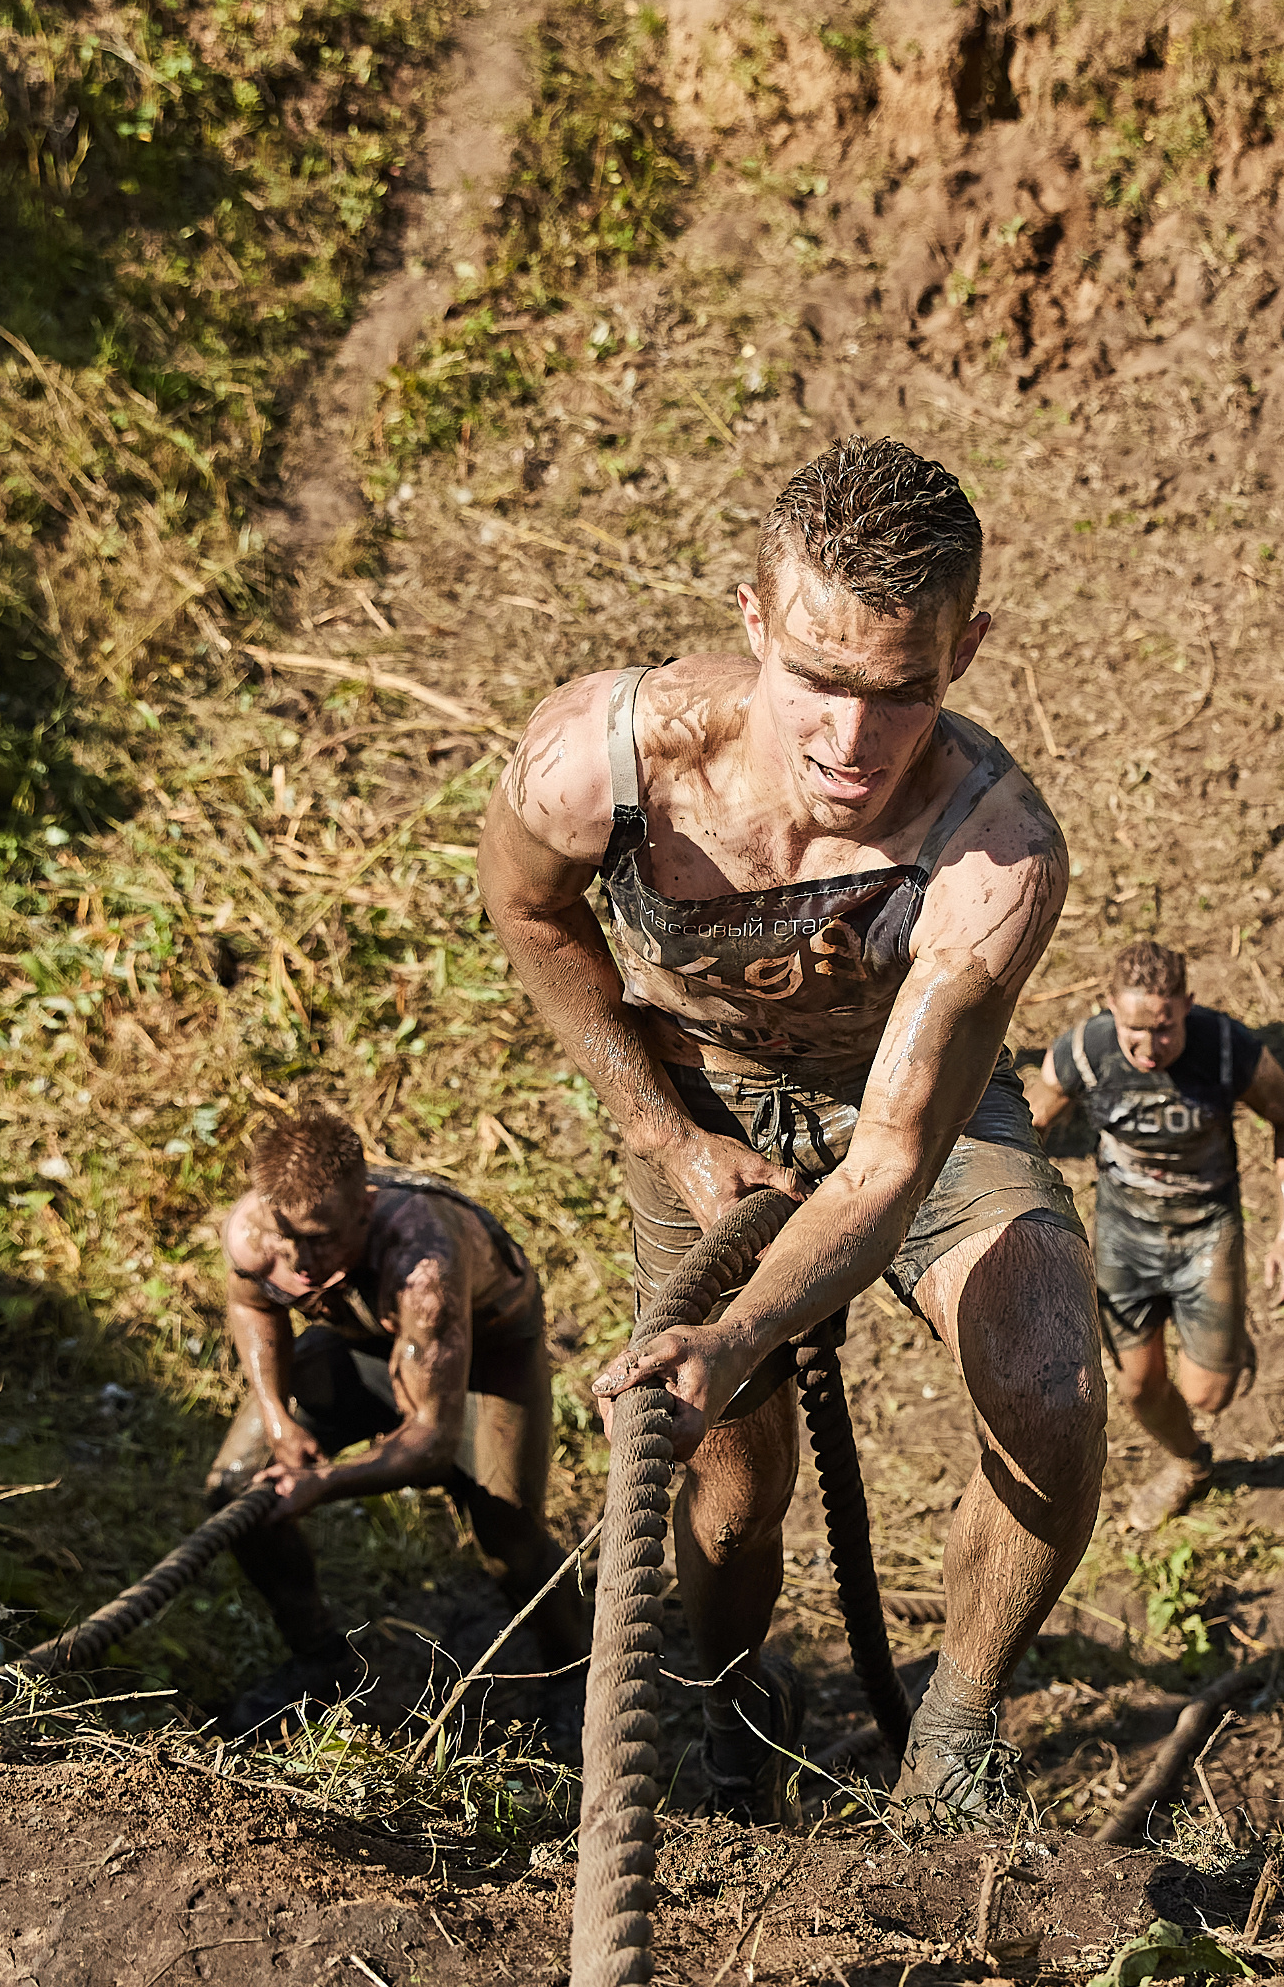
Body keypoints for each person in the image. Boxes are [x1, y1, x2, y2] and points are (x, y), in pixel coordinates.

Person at [477, 436, 1101, 1820]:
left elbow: (887, 1159)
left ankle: (955, 1731)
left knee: (1052, 1386)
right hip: (700, 1091)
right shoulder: (603, 762)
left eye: (902, 692)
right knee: (730, 1486)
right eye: (818, 680)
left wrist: (751, 1317)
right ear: (754, 620)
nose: (852, 742)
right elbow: (528, 913)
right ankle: (730, 1701)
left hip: (913, 1100)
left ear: (967, 650)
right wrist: (665, 1129)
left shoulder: (994, 849)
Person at [206, 1105, 587, 1734]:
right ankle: (320, 1661)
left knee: (507, 1529)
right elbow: (252, 1306)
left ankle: (573, 1674)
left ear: (365, 1207)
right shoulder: (254, 1231)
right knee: (236, 1485)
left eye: (323, 1238)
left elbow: (431, 1440)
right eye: (289, 1236)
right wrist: (278, 1418)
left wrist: (326, 1484)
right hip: (362, 1346)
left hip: (485, 1355)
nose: (302, 1261)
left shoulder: (423, 1262)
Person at [1025, 940, 1284, 1532]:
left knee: (1208, 1395)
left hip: (1207, 1230)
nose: (1147, 1048)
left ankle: (1221, 1337)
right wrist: (1030, 1226)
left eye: (1164, 1030)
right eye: (1133, 1029)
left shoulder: (1228, 1050)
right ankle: (1191, 1464)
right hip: (1124, 1237)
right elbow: (1027, 1130)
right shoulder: (1084, 1051)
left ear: (1188, 1007)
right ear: (1110, 1008)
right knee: (1137, 1386)